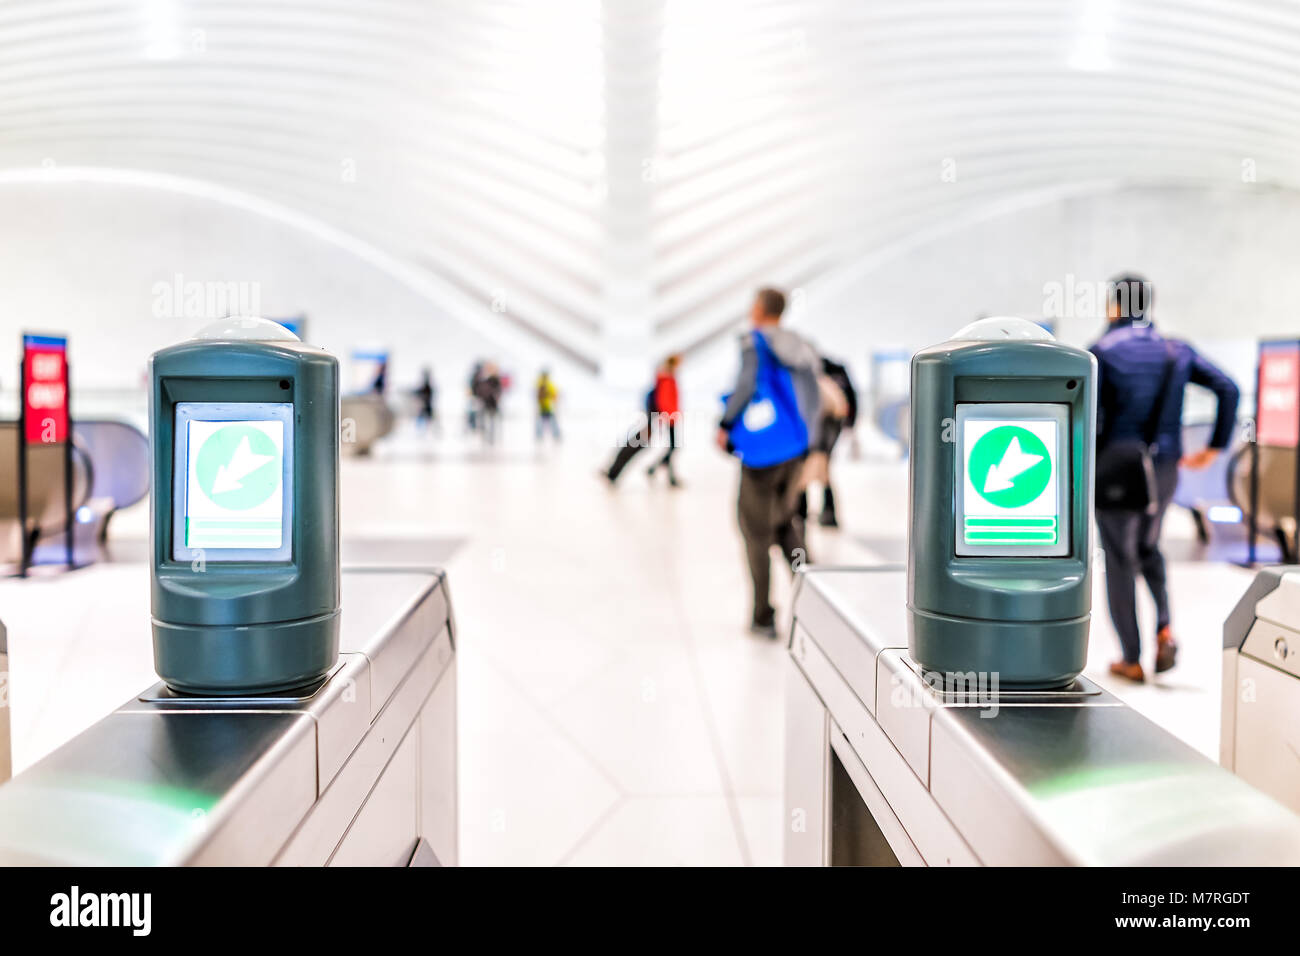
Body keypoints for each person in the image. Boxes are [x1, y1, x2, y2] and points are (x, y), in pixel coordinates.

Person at [1092, 273, 1239, 683]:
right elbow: (1228, 388)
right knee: (1149, 547)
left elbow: (1086, 413)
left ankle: (1132, 657)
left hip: (1117, 469)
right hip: (1164, 467)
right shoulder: (1177, 350)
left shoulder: (1101, 352)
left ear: (1113, 307)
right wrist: (1214, 446)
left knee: (1120, 559)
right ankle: (1165, 626)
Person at [717, 288, 822, 637]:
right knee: (785, 522)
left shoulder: (755, 340)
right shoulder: (798, 344)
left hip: (763, 450)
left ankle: (762, 614)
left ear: (760, 309)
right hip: (796, 443)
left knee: (755, 530)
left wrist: (726, 424)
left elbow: (747, 385)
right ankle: (817, 601)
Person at [603, 355, 683, 486]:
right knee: (640, 443)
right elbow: (665, 401)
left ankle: (656, 471)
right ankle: (614, 472)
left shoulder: (663, 378)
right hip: (663, 417)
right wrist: (670, 416)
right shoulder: (667, 379)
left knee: (667, 446)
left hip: (660, 417)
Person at [474, 361, 504, 445]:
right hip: (485, 403)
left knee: (492, 421)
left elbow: (499, 391)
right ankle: (486, 437)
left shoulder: (495, 380)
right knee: (483, 421)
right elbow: (479, 390)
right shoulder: (484, 379)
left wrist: (496, 397)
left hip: (493, 403)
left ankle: (492, 437)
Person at [535, 368, 561, 443]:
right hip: (543, 407)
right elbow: (538, 396)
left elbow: (554, 395)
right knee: (541, 422)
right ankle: (539, 435)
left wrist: (555, 402)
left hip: (548, 407)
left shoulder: (548, 384)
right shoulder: (540, 384)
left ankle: (555, 435)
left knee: (552, 422)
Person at [414, 366, 439, 435]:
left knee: (428, 420)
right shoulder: (425, 386)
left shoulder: (427, 386)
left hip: (427, 405)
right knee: (422, 419)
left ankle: (429, 432)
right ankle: (421, 432)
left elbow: (428, 394)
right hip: (425, 405)